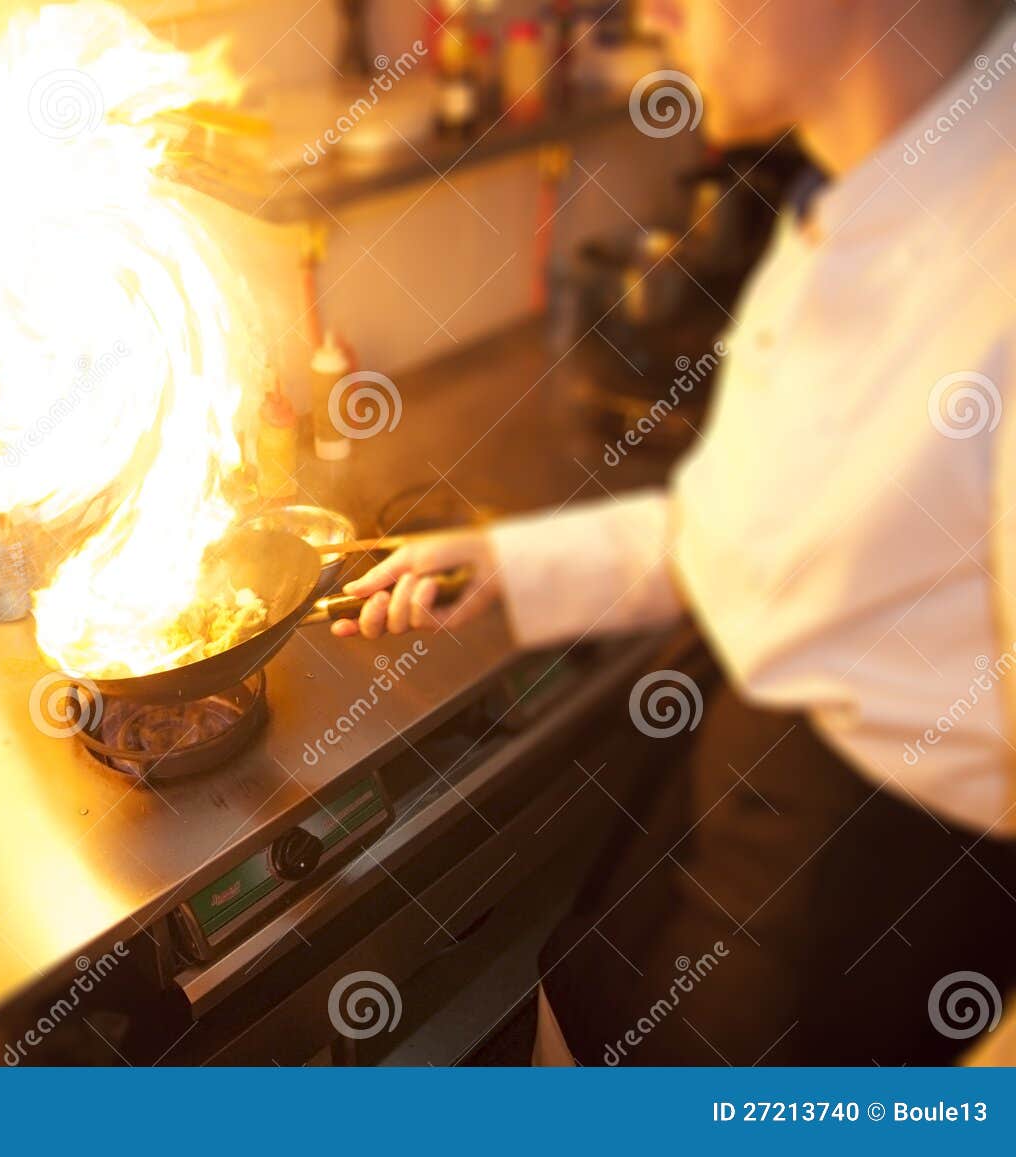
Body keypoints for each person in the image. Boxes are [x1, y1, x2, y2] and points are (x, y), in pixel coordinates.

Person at [333, 0, 1016, 1064]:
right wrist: (510, 562)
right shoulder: (865, 188)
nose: (648, 9)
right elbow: (756, 528)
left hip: (868, 899)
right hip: (729, 769)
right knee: (580, 991)